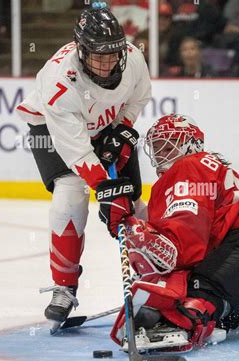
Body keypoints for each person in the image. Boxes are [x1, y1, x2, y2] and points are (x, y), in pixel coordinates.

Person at [110, 113, 239, 350]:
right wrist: (127, 217)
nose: (161, 153)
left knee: (191, 297)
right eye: (157, 147)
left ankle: (183, 320)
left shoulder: (189, 166)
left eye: (169, 144)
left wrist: (134, 231)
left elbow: (182, 250)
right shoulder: (205, 166)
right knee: (228, 310)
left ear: (191, 143)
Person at [15, 3, 151, 331]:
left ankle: (157, 274)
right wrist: (105, 190)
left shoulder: (132, 57)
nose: (107, 64)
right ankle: (64, 286)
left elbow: (138, 96)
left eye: (112, 54)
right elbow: (77, 154)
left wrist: (123, 129)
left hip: (106, 126)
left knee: (132, 203)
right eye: (98, 56)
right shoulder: (59, 81)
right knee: (70, 193)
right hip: (51, 130)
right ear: (81, 50)